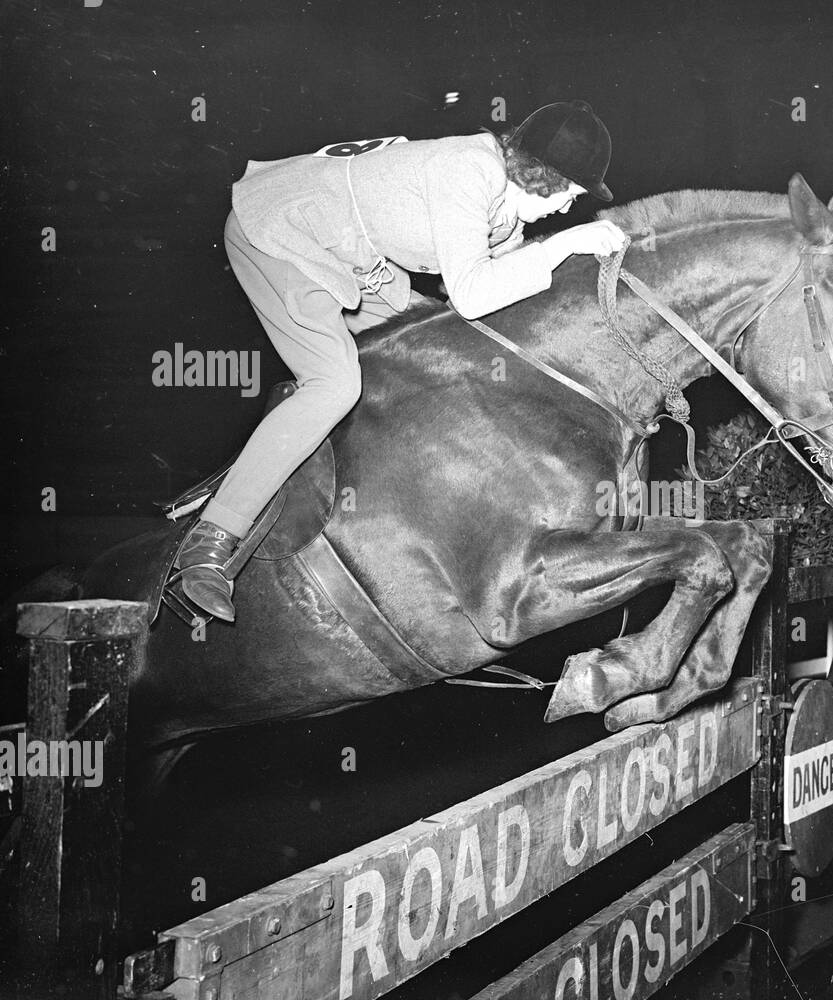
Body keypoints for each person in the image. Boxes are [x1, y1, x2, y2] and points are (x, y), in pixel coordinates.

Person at [176, 101, 626, 622]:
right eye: (571, 190)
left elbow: (500, 297)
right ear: (541, 174)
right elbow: (475, 295)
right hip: (282, 232)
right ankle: (213, 536)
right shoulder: (469, 168)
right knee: (334, 383)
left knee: (436, 345)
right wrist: (567, 243)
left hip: (353, 262)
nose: (570, 206)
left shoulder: (505, 215)